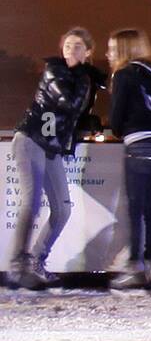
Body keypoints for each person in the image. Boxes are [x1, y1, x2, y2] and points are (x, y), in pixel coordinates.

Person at [6, 27, 107, 289]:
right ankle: (19, 263)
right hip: (30, 140)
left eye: (77, 46)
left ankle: (38, 260)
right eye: (67, 46)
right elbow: (68, 102)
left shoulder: (83, 78)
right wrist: (88, 80)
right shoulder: (56, 71)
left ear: (88, 52)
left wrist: (91, 122)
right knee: (32, 201)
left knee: (62, 209)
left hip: (52, 148)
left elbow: (75, 115)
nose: (70, 50)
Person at [106, 30, 151, 290]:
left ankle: (135, 266)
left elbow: (116, 120)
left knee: (135, 209)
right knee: (150, 208)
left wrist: (117, 129)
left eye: (112, 49)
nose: (108, 54)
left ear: (124, 50)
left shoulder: (124, 75)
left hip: (139, 146)